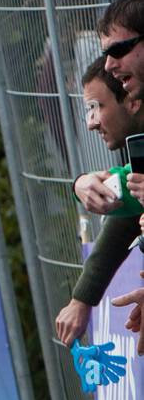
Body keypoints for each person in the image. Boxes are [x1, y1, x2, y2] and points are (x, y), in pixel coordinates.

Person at [57, 58, 144, 344]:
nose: (90, 122)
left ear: (131, 99)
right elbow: (123, 206)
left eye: (97, 107)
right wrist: (80, 182)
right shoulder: (136, 161)